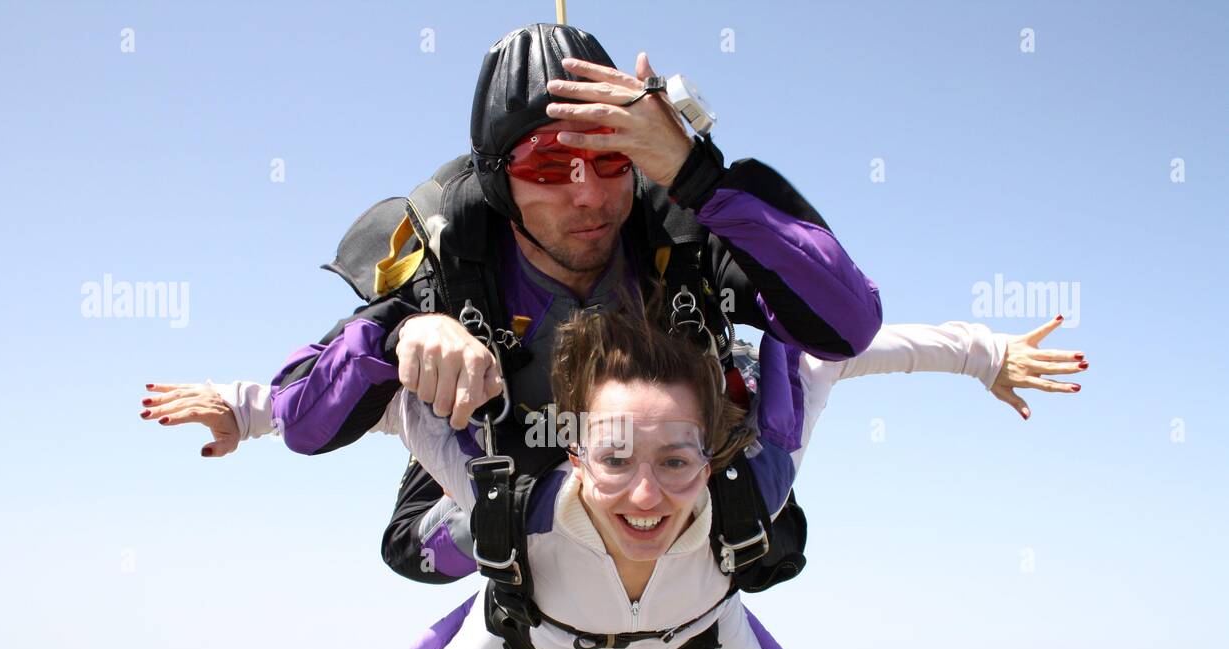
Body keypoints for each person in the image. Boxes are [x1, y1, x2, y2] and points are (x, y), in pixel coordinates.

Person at [139, 21, 884, 583]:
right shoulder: (454, 260)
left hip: (654, 464)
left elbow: (846, 327)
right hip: (514, 454)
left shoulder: (680, 233)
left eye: (613, 158)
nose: (589, 193)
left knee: (763, 546)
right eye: (550, 165)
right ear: (498, 181)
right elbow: (309, 421)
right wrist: (401, 341)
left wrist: (696, 176)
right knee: (433, 547)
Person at [181, 302, 1085, 649]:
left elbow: (834, 354)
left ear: (712, 453)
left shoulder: (748, 486)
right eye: (616, 461)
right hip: (530, 629)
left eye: (676, 461)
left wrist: (987, 353)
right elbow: (382, 405)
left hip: (692, 632)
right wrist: (244, 407)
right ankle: (485, 591)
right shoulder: (512, 497)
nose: (647, 494)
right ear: (574, 451)